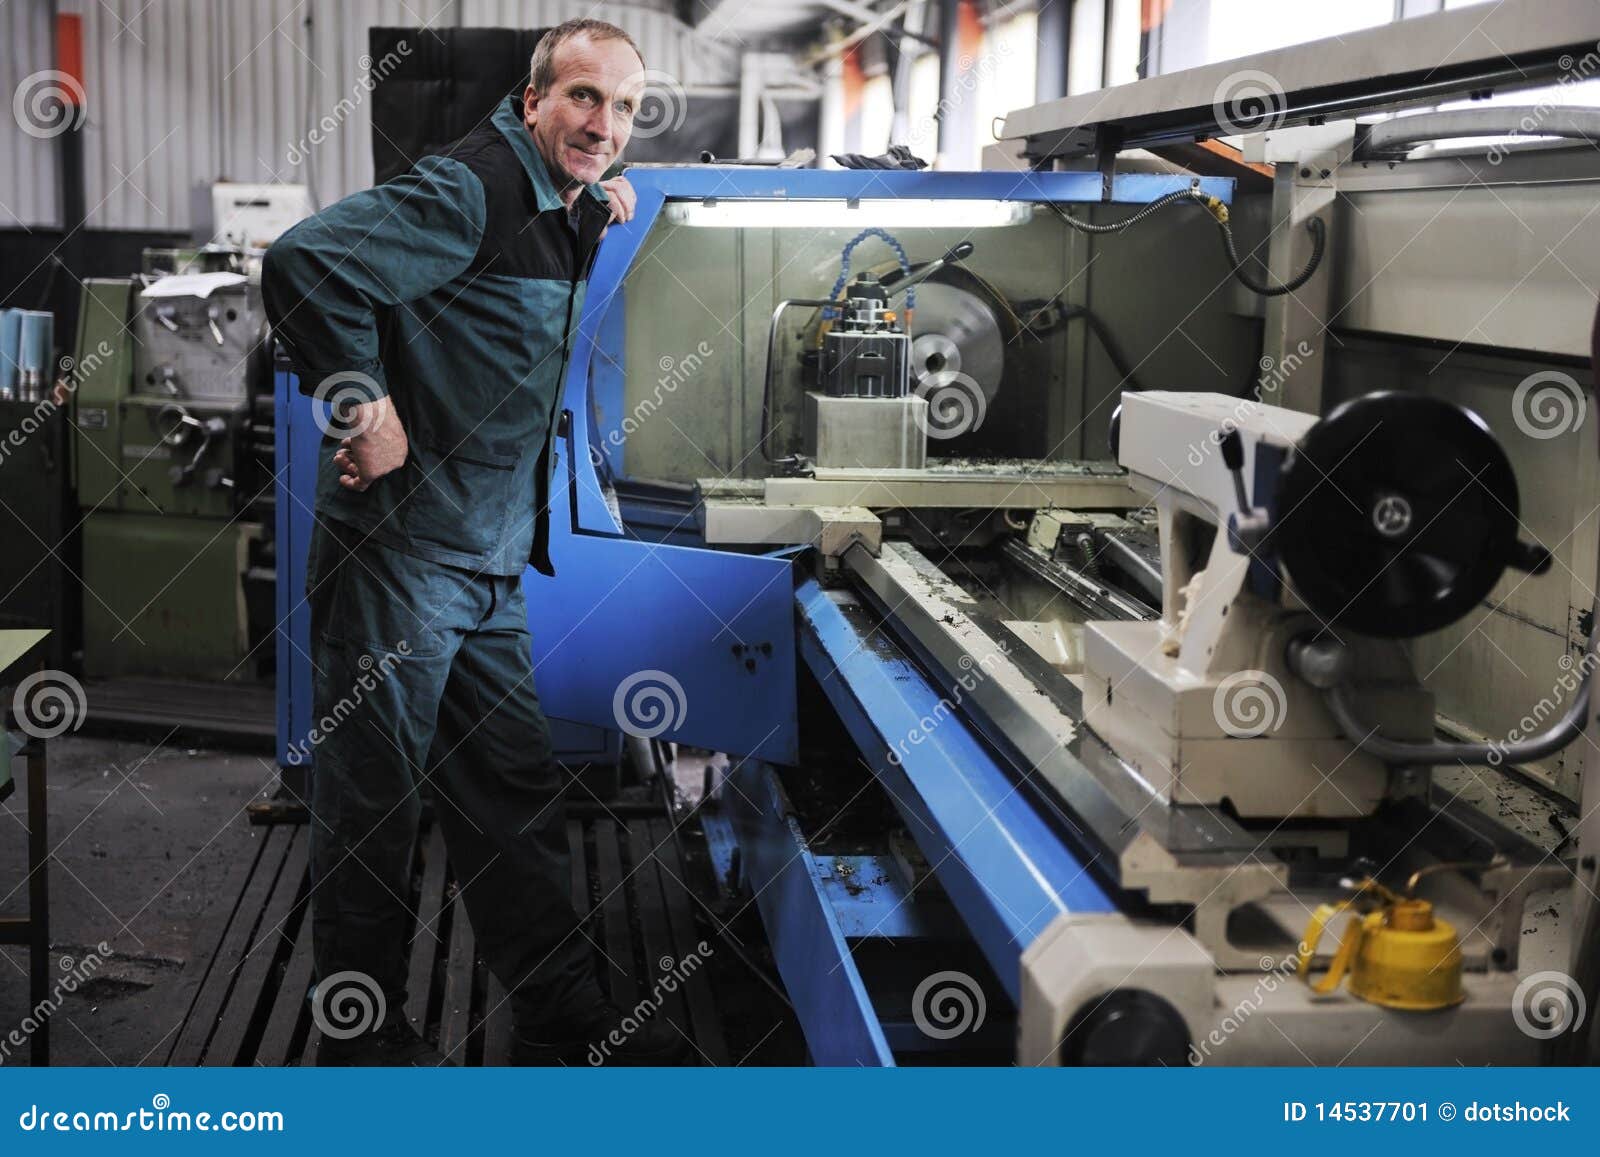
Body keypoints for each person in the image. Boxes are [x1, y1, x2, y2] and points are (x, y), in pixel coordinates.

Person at [262, 18, 683, 1066]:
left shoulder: (562, 196)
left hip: (487, 561)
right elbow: (309, 262)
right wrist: (364, 404)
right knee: (376, 810)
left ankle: (567, 1007)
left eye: (625, 107)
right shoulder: (473, 188)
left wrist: (596, 197)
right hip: (403, 562)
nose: (604, 123)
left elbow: (560, 211)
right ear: (533, 99)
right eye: (583, 98)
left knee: (511, 790)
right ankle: (358, 1042)